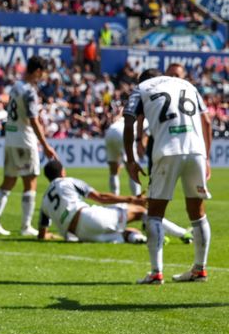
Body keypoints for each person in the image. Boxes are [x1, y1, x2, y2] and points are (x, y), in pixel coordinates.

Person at [125, 67, 213, 284]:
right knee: (198, 212)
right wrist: (207, 158)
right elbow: (207, 121)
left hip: (167, 150)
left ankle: (156, 272)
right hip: (196, 151)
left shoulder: (141, 89)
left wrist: (131, 161)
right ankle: (199, 269)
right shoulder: (187, 85)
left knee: (155, 213)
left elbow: (129, 121)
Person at [36, 160, 191, 244]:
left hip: (80, 234)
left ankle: (143, 239)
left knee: (125, 233)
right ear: (62, 171)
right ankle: (183, 233)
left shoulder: (44, 200)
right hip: (88, 217)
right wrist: (132, 199)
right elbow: (101, 197)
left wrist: (51, 236)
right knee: (140, 212)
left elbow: (42, 234)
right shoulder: (68, 181)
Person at [0, 55, 57, 236]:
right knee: (30, 181)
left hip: (11, 137)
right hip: (25, 140)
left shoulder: (16, 86)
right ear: (38, 71)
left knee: (8, 181)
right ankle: (26, 226)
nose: (43, 76)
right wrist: (45, 145)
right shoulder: (29, 91)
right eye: (43, 72)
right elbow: (33, 120)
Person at [103, 115, 144, 196]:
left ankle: (115, 198)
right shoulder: (145, 118)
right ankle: (137, 198)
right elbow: (145, 135)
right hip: (123, 132)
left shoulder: (126, 115)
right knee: (133, 169)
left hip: (110, 131)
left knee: (113, 170)